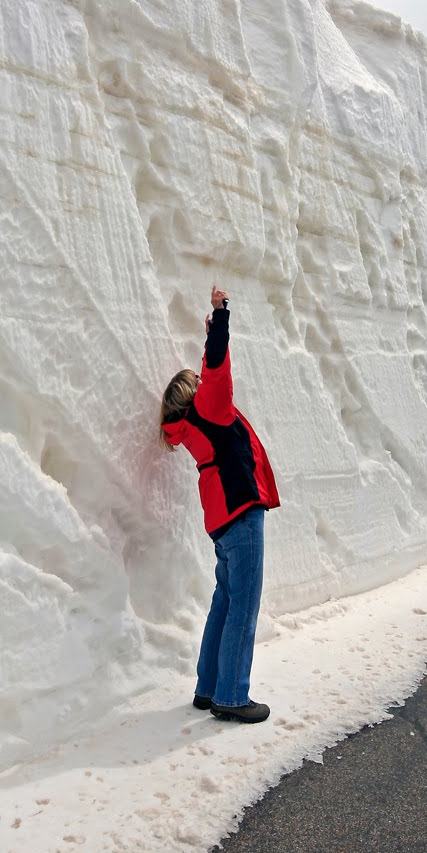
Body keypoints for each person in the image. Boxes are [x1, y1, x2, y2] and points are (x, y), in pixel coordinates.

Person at [160, 285, 280, 724]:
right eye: (198, 382)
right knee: (242, 609)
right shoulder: (209, 408)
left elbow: (211, 370)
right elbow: (217, 365)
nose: (204, 380)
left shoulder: (188, 426)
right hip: (241, 515)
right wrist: (219, 316)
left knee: (225, 604)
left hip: (221, 520)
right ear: (194, 392)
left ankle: (208, 688)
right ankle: (231, 696)